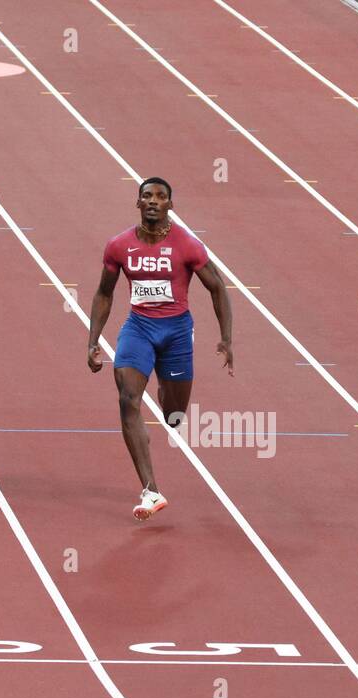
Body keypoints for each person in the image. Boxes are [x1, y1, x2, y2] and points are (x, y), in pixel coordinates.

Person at [86, 177, 234, 520]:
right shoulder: (119, 246)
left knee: (173, 415)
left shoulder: (188, 246)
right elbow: (104, 293)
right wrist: (93, 339)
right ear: (138, 203)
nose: (153, 201)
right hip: (138, 329)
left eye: (160, 196)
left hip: (177, 333)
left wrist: (226, 337)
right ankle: (150, 490)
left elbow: (218, 288)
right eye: (147, 196)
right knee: (127, 398)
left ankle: (167, 392)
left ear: (170, 205)